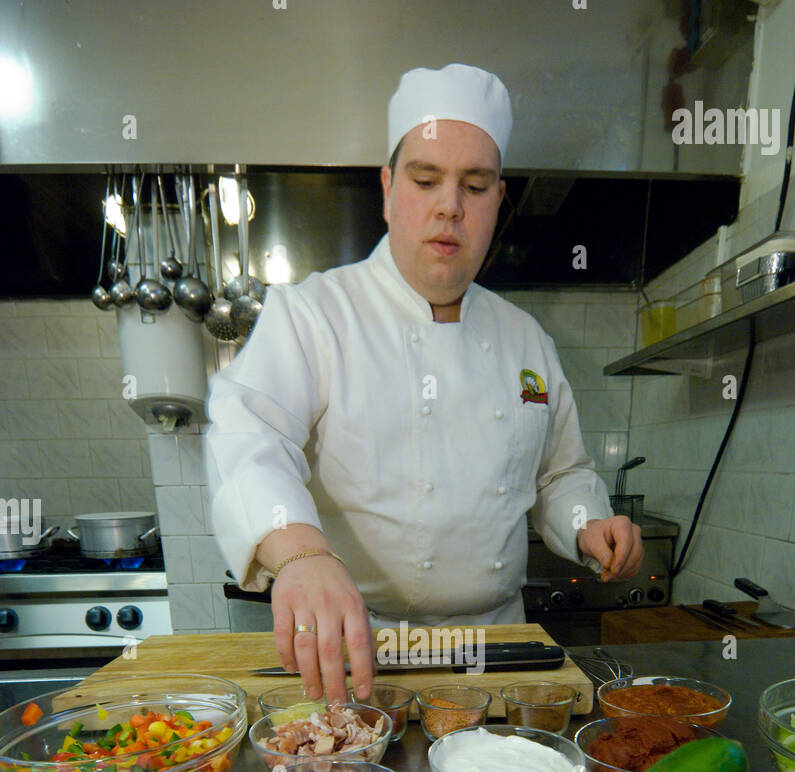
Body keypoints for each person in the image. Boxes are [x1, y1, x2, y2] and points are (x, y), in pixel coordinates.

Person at [206, 63, 643, 701]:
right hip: (357, 651)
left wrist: (588, 521)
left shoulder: (527, 340)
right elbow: (249, 434)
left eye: (475, 184)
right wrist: (302, 556)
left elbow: (559, 474)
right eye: (425, 179)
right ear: (387, 189)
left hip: (498, 649)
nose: (449, 206)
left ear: (498, 199)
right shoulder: (315, 314)